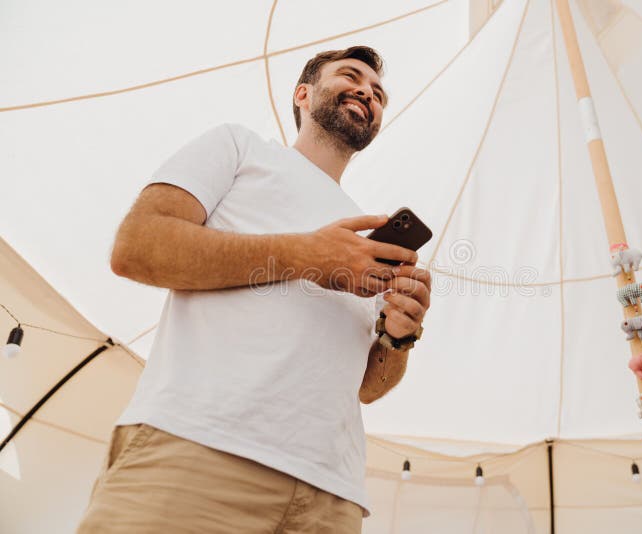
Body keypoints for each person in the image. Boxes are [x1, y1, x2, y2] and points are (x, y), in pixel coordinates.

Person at [77, 45, 431, 534]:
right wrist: (308, 256)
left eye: (378, 94)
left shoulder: (365, 241)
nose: (367, 93)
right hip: (200, 450)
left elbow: (368, 388)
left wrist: (398, 334)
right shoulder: (240, 148)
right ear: (303, 94)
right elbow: (137, 246)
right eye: (351, 77)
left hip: (333, 496)